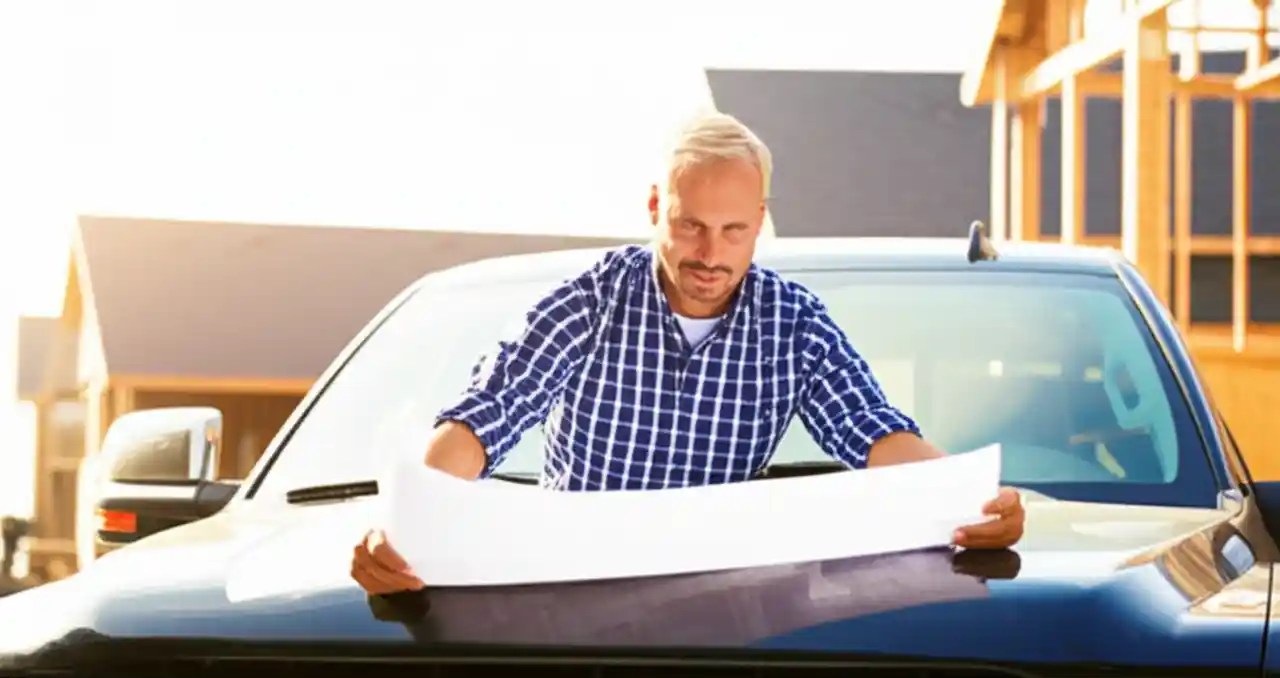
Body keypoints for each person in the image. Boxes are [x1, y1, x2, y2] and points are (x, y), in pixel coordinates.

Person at [350, 112, 1024, 595]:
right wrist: (409, 525)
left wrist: (973, 500)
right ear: (655, 207)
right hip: (573, 594)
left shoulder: (793, 325)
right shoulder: (589, 302)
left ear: (760, 221)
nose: (710, 254)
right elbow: (485, 417)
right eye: (691, 225)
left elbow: (874, 434)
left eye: (734, 231)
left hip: (721, 609)